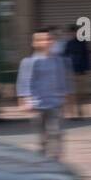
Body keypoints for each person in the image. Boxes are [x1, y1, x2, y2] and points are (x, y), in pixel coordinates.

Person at [17, 28, 70, 158]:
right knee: (42, 138)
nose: (47, 42)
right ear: (36, 43)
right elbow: (24, 82)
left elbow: (62, 80)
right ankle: (43, 161)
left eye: (49, 39)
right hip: (38, 104)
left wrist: (66, 98)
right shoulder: (29, 62)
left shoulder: (58, 61)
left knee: (56, 133)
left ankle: (56, 160)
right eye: (43, 39)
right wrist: (25, 101)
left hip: (55, 103)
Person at [64, 22, 91, 119]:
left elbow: (87, 56)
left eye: (74, 32)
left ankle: (81, 112)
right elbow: (64, 57)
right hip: (71, 72)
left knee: (81, 94)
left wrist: (87, 69)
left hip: (81, 72)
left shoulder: (83, 42)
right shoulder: (68, 43)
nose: (73, 34)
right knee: (72, 95)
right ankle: (72, 114)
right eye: (71, 32)